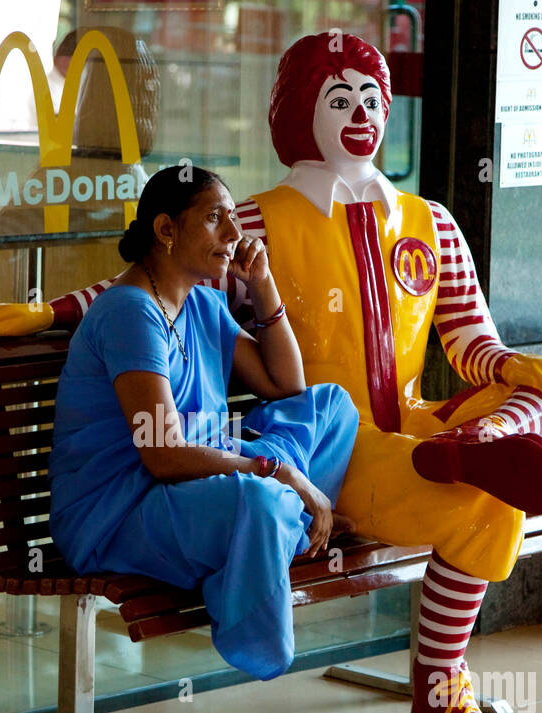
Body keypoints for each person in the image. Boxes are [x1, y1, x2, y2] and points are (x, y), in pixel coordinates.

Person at [0, 34, 542, 713]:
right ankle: (422, 677)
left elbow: (313, 383)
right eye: (340, 98)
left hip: (365, 438)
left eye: (371, 96)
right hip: (234, 480)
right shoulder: (205, 260)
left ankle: (476, 441)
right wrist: (48, 312)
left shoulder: (423, 223)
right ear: (301, 113)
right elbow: (131, 325)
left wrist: (510, 373)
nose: (361, 112)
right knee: (429, 501)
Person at [48, 165, 358, 680]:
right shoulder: (131, 312)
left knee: (332, 407)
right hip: (124, 511)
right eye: (215, 219)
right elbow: (163, 454)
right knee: (259, 499)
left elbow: (287, 387)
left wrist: (263, 287)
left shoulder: (201, 304)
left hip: (197, 486)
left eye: (234, 220)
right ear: (166, 230)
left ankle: (277, 528)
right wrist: (280, 472)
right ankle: (273, 549)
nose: (234, 236)